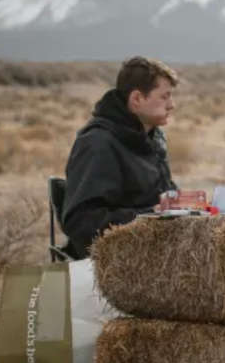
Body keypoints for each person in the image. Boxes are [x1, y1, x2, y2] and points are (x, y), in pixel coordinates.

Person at [61, 56, 180, 259]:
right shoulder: (98, 143)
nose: (172, 105)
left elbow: (162, 199)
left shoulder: (152, 137)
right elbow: (82, 223)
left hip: (157, 245)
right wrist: (152, 216)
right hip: (118, 260)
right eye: (164, 97)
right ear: (137, 99)